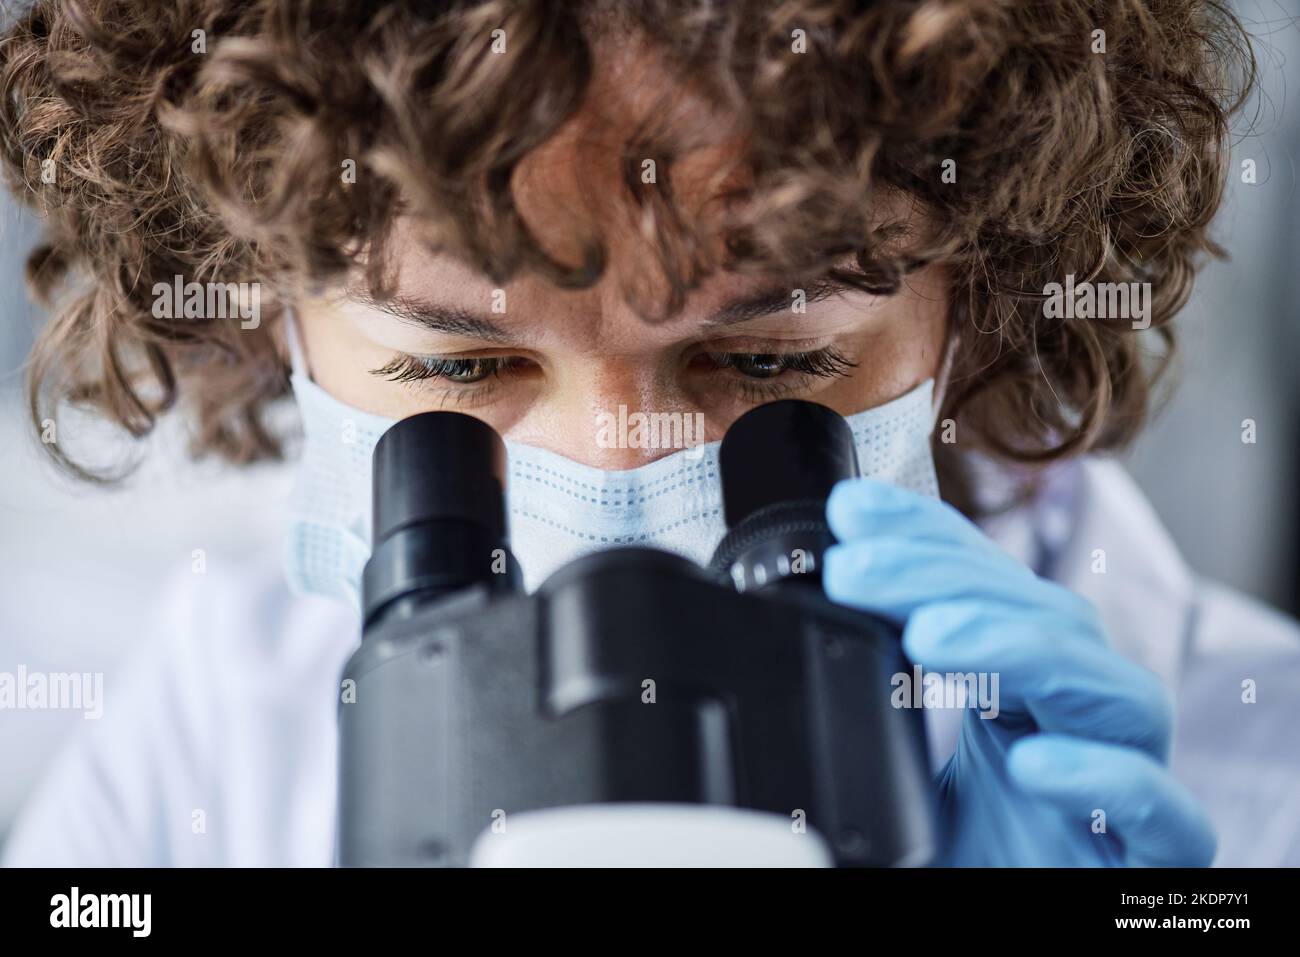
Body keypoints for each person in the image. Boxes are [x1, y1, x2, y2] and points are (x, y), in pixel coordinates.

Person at [1, 0, 1296, 867]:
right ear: (274, 315)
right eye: (456, 364)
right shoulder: (211, 729)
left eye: (767, 361)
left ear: (981, 306)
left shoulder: (1260, 766)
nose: (615, 466)